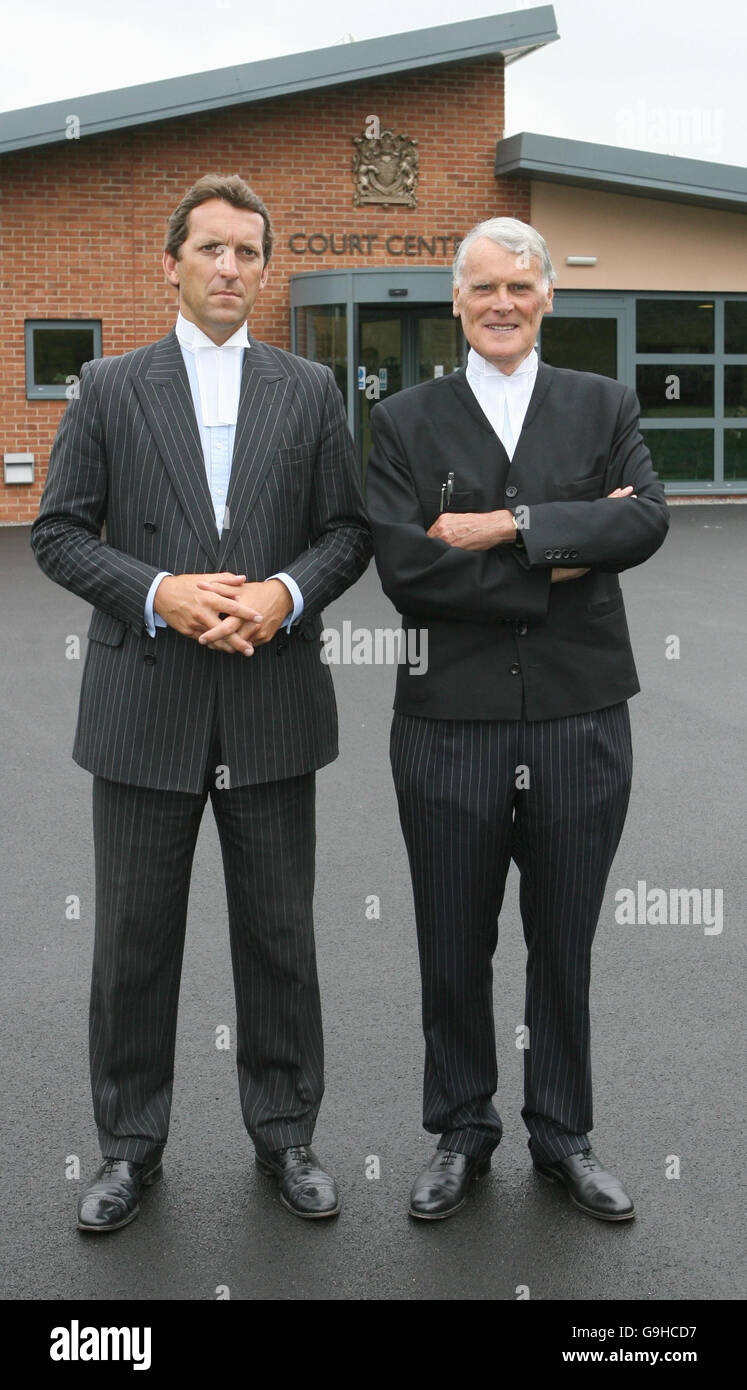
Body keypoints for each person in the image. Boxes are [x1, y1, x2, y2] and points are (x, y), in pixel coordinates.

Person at [31, 174, 372, 1230]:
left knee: (279, 938)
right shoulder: (110, 388)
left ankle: (288, 1137)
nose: (231, 268)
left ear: (265, 271)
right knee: (132, 944)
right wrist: (159, 593)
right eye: (212, 249)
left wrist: (284, 591)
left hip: (271, 706)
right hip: (145, 711)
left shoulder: (310, 389)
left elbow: (347, 531)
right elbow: (58, 531)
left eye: (248, 253)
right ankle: (129, 1148)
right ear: (169, 262)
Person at [365, 216, 669, 1222]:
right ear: (455, 298)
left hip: (581, 722)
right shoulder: (405, 420)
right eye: (484, 287)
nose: (502, 304)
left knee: (563, 939)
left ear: (549, 297)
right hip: (449, 725)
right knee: (453, 935)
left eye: (521, 287)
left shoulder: (601, 402)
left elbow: (647, 520)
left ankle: (563, 1130)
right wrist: (567, 558)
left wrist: (509, 528)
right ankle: (462, 1126)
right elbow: (408, 571)